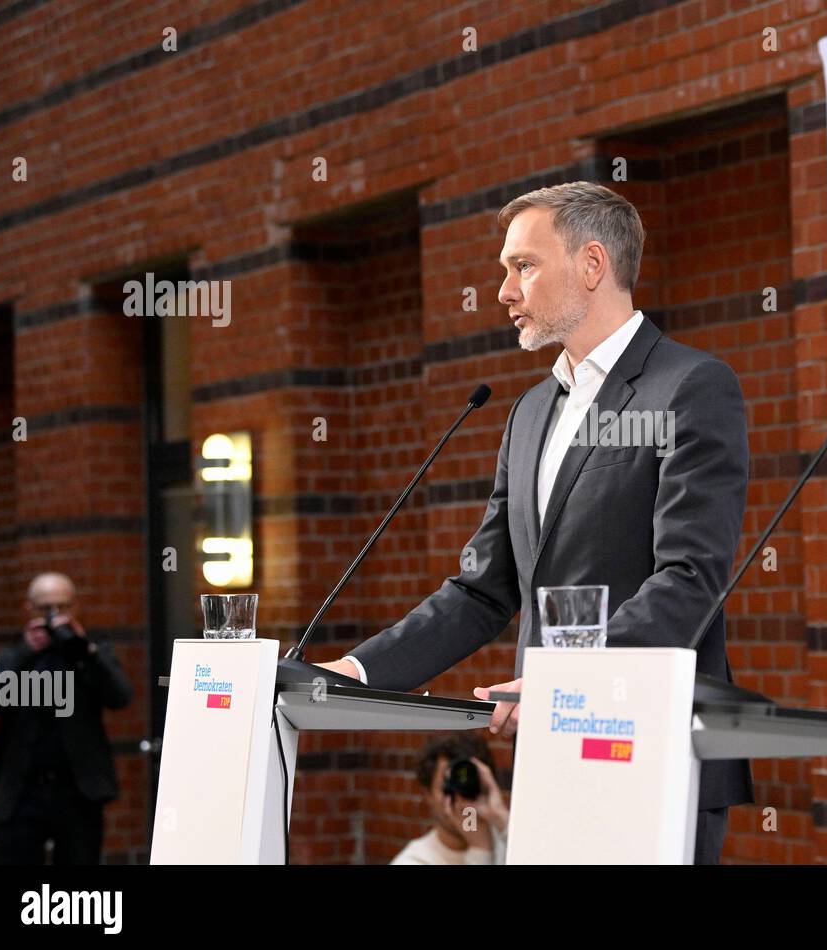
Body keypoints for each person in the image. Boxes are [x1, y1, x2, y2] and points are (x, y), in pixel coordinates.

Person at [319, 181, 754, 863]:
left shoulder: (690, 387)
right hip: (550, 759)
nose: (504, 291)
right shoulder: (528, 413)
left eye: (523, 266)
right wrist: (356, 670)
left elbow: (690, 578)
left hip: (650, 754)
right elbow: (482, 591)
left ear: (592, 264)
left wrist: (564, 680)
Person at [0, 572, 133, 864]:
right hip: (22, 791)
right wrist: (26, 651)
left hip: (78, 790)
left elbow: (120, 696)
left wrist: (85, 650)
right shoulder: (12, 656)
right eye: (44, 608)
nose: (54, 616)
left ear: (75, 607)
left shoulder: (89, 652)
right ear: (29, 609)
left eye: (62, 607)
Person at [391, 733, 507, 865]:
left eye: (469, 784)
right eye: (449, 788)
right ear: (428, 795)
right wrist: (480, 848)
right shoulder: (413, 861)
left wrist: (501, 817)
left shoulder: (507, 840)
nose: (461, 800)